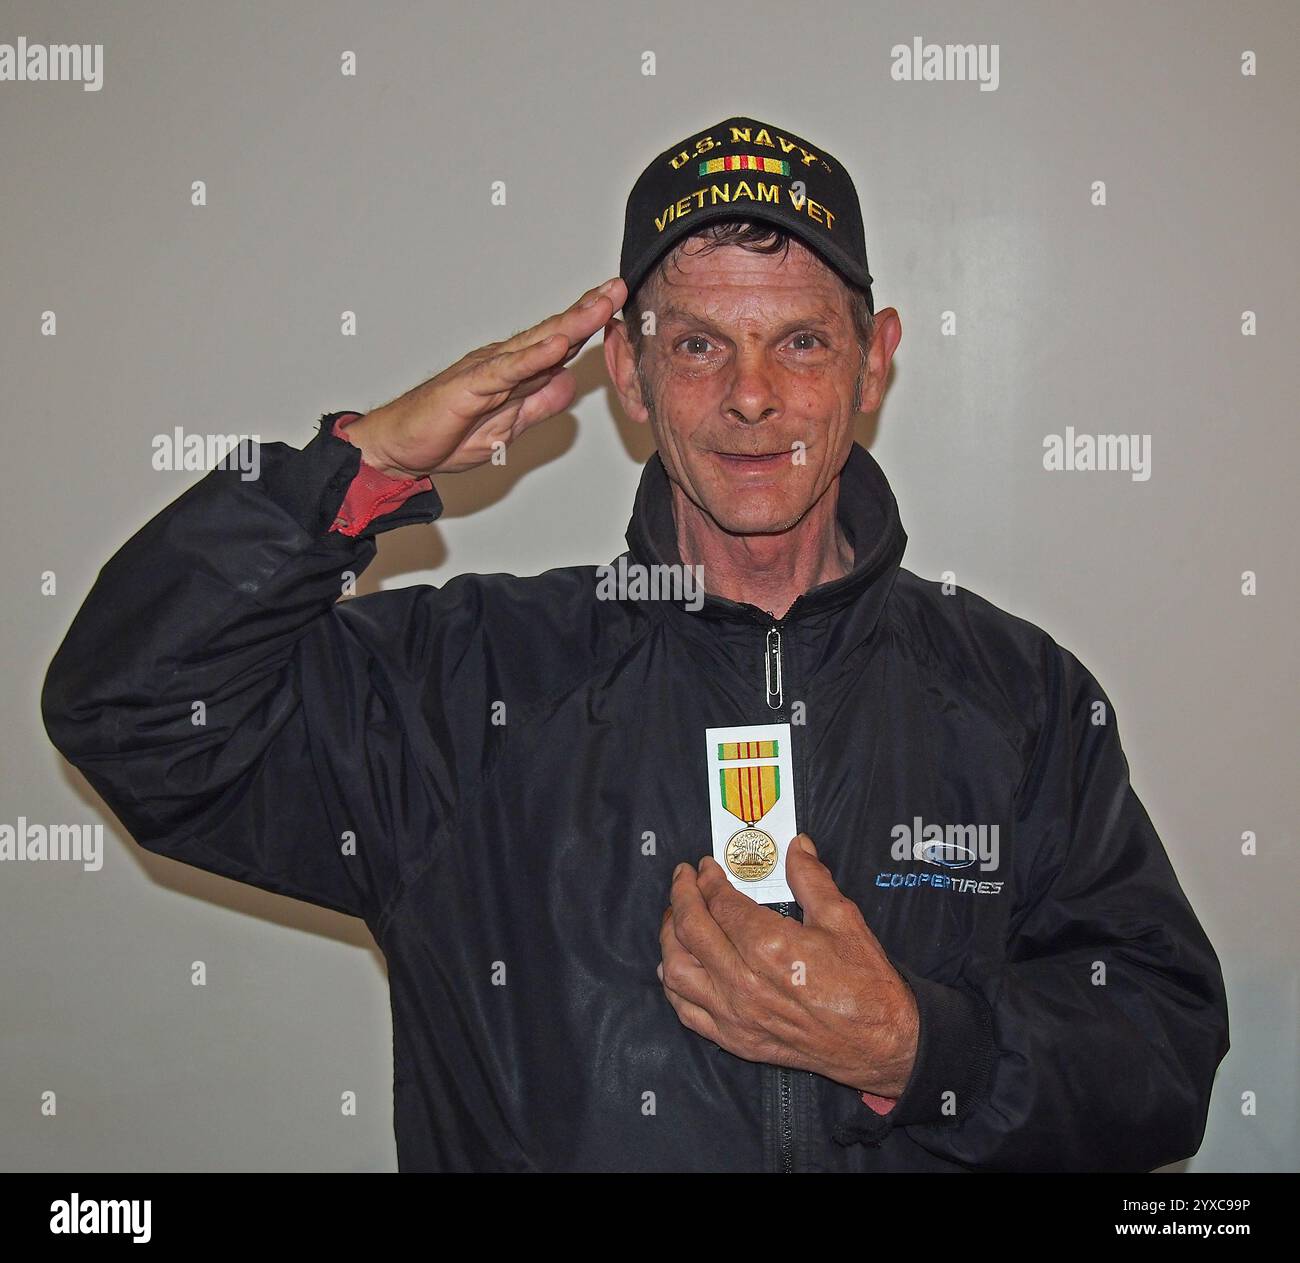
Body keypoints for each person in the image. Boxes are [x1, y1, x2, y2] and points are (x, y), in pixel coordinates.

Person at [41, 115, 1229, 1172]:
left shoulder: (1016, 693)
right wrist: (367, 466)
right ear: (628, 372)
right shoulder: (464, 680)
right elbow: (132, 714)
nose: (750, 397)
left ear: (874, 361)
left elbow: (1160, 1056)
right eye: (699, 343)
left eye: (803, 344)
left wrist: (918, 1048)